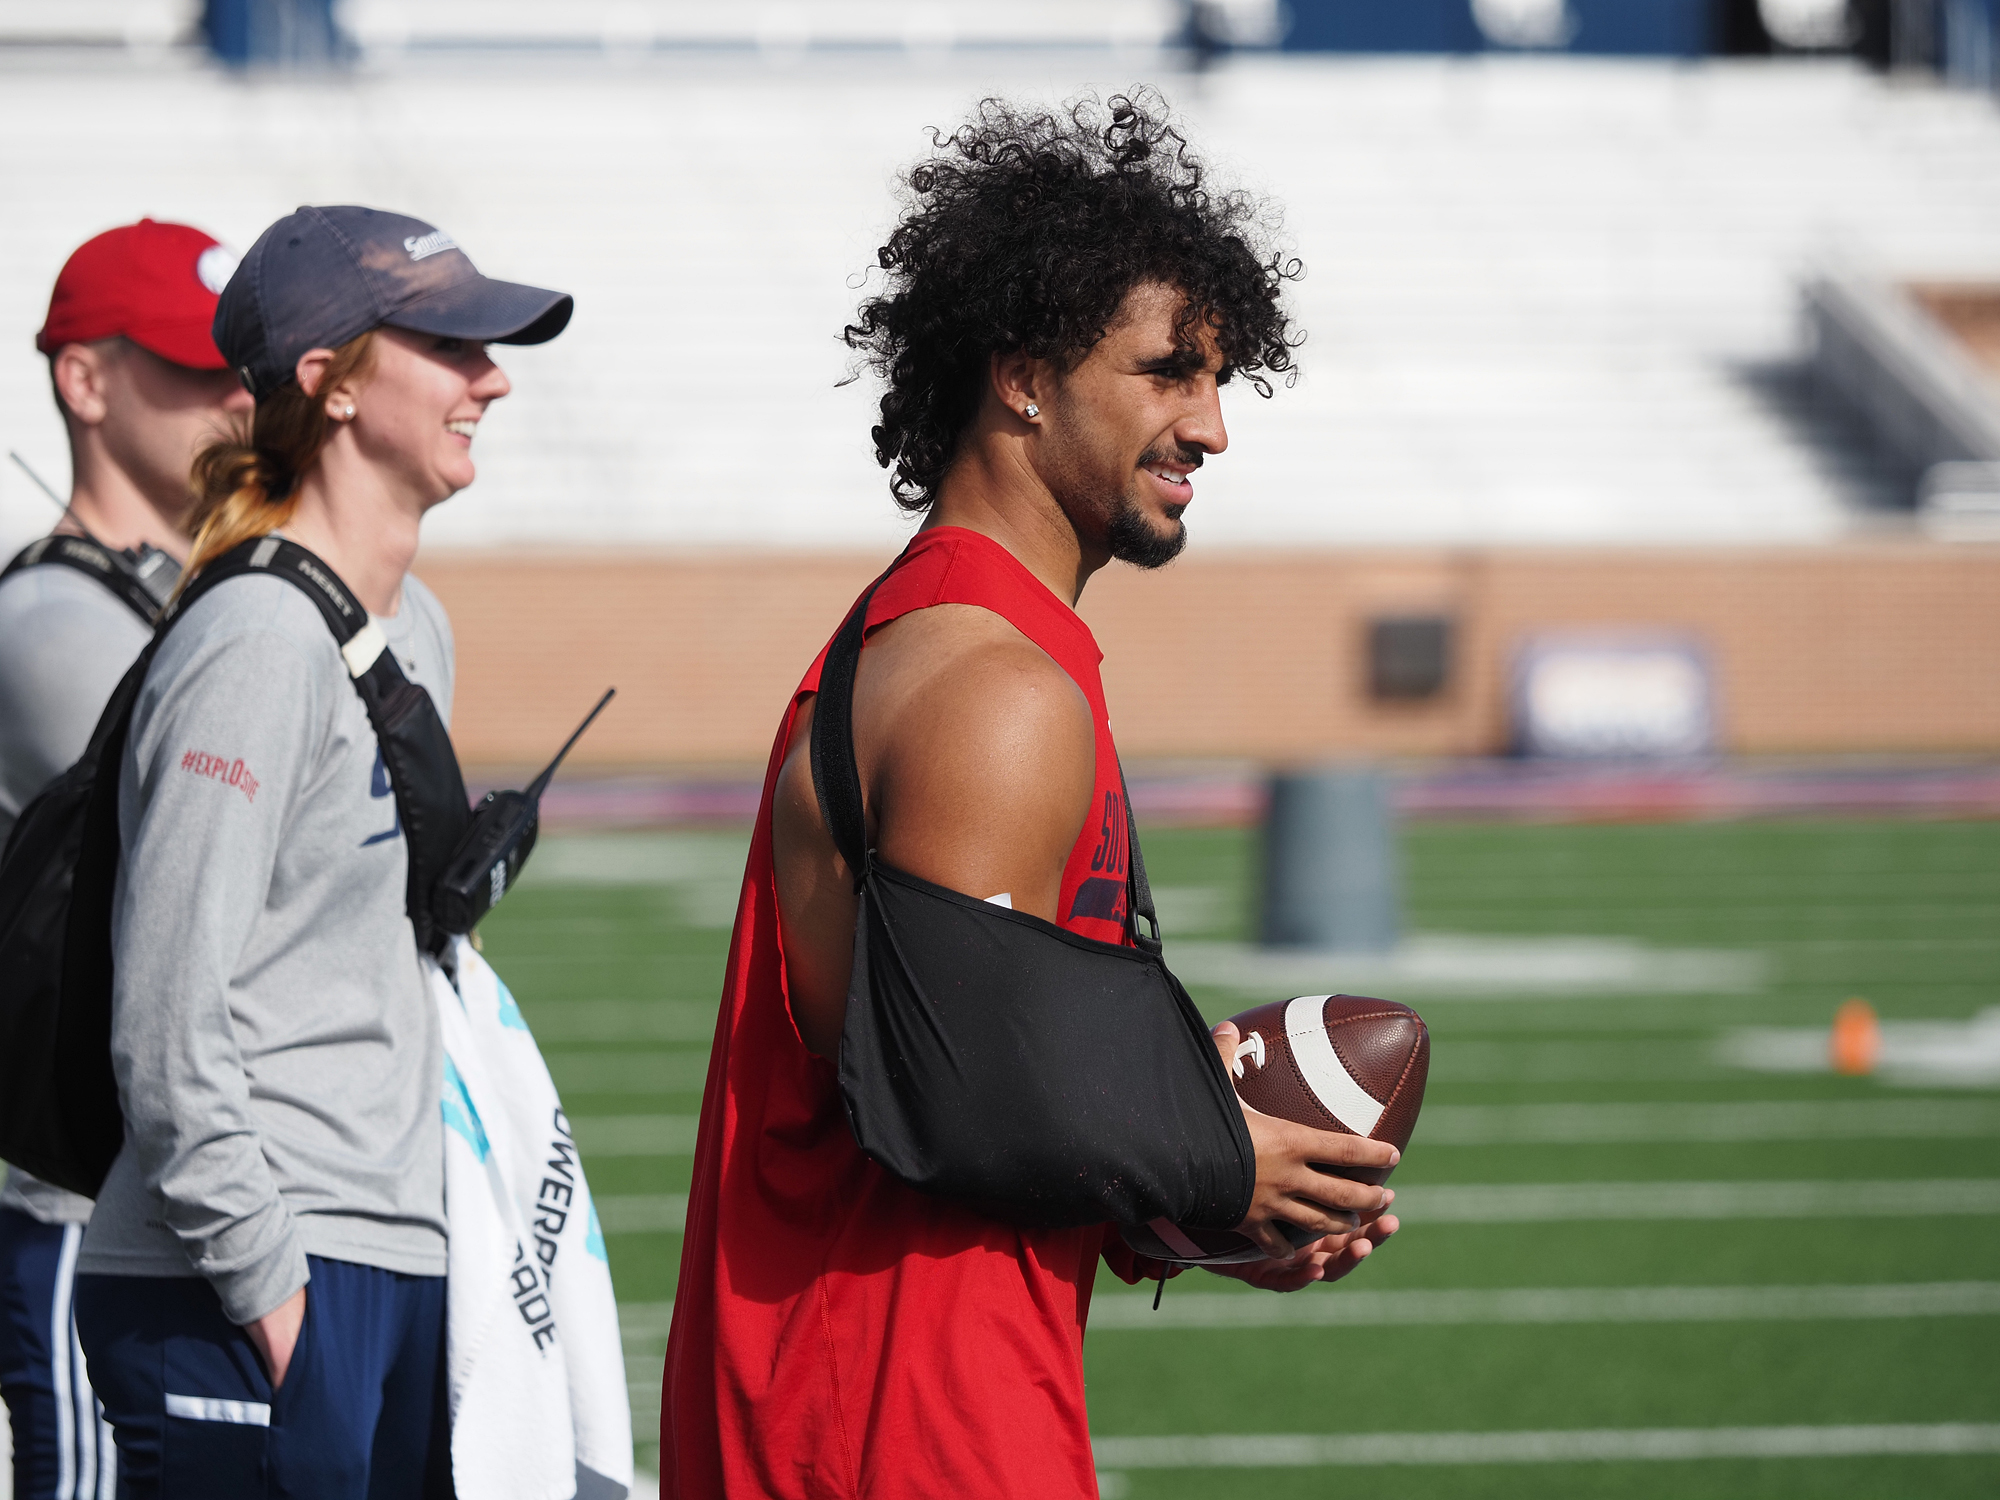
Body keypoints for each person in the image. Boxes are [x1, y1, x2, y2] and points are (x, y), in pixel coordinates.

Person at [662, 93, 1402, 1498]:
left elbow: (974, 1076)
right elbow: (966, 1087)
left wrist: (1198, 1210)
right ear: (1023, 377)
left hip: (865, 1394)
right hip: (894, 1420)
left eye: (1217, 377)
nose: (1212, 428)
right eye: (1167, 372)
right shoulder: (993, 690)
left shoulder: (944, 641)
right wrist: (1208, 1160)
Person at [67, 205, 571, 1499]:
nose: (493, 377)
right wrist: (273, 1294)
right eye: (453, 344)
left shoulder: (424, 632)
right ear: (328, 382)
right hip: (243, 1278)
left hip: (398, 1258)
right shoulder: (251, 644)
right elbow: (165, 1014)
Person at [0, 217, 251, 1500]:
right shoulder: (51, 619)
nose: (238, 393)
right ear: (83, 382)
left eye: (240, 364)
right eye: (192, 366)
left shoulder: (188, 593)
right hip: (80, 1208)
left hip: (176, 1199)